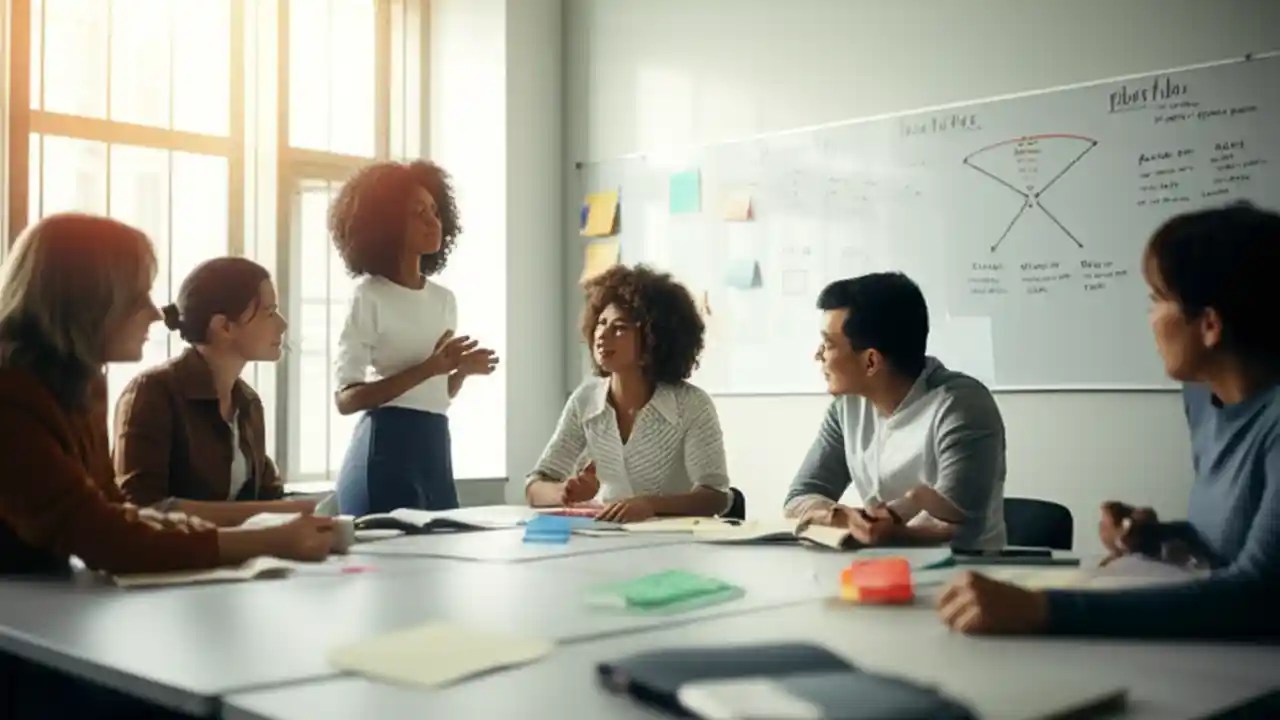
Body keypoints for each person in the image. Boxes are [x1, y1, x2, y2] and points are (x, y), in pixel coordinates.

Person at [937, 203, 1280, 638]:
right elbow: (1228, 547)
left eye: (1157, 299)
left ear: (1210, 324)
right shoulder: (1202, 397)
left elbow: (1261, 596)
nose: (1150, 318)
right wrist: (1156, 538)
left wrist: (1042, 609)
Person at [0, 213, 334, 576]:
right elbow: (102, 536)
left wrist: (171, 528)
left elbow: (109, 508)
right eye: (138, 296)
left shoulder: (81, 384)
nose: (157, 314)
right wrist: (272, 541)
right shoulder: (12, 396)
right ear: (88, 301)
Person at [783, 272, 1007, 549]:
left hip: (967, 574)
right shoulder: (847, 407)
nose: (819, 355)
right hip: (882, 567)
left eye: (828, 344)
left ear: (871, 362)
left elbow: (954, 526)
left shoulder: (961, 407)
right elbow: (800, 495)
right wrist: (842, 517)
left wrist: (877, 529)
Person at [330, 160, 499, 516]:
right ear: (387, 224)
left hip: (435, 445)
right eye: (418, 212)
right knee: (389, 563)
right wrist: (431, 367)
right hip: (384, 451)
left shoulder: (443, 300)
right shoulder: (369, 296)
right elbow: (346, 400)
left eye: (435, 211)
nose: (433, 221)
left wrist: (459, 373)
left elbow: (434, 396)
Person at [112, 258, 315, 526]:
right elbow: (143, 506)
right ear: (223, 327)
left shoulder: (247, 402)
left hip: (232, 561)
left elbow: (269, 495)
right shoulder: (153, 392)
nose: (282, 324)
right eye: (269, 312)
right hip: (170, 562)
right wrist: (275, 515)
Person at [525, 265, 731, 522]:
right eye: (601, 323)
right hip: (602, 542)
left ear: (653, 340)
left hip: (675, 546)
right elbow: (535, 486)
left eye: (620, 328)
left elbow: (715, 496)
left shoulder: (691, 405)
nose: (602, 335)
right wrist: (565, 492)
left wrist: (650, 505)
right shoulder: (585, 400)